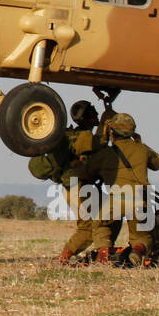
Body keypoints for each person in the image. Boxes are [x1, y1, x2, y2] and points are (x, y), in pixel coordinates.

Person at [93, 113, 159, 267]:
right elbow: (158, 164)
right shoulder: (142, 149)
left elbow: (88, 171)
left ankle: (103, 254)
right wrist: (140, 144)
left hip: (115, 200)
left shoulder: (106, 153)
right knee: (143, 236)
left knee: (102, 226)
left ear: (112, 131)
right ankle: (137, 251)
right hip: (139, 199)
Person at [55, 100, 111, 265]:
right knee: (87, 227)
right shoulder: (82, 136)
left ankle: (104, 252)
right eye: (92, 113)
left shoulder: (79, 135)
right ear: (85, 117)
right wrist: (107, 118)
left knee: (107, 216)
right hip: (77, 186)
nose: (96, 115)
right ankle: (63, 259)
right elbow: (98, 143)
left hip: (80, 186)